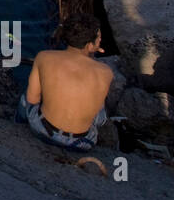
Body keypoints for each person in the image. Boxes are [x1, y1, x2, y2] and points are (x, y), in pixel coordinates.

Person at [17, 12, 112, 152]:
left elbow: (32, 99)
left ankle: (17, 126)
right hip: (82, 143)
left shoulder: (44, 57)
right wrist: (91, 55)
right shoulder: (106, 72)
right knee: (100, 111)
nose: (100, 41)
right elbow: (98, 120)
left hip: (43, 132)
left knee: (26, 97)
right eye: (98, 38)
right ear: (90, 45)